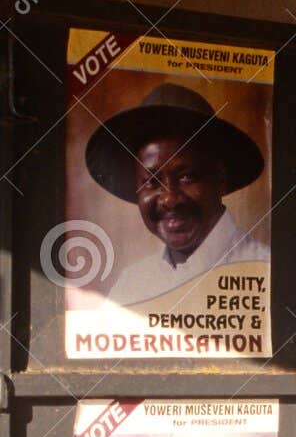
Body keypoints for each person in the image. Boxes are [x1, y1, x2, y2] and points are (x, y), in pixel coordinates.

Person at [84, 82, 270, 306]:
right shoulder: (131, 286)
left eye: (187, 176)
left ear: (219, 178)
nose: (169, 198)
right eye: (152, 181)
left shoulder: (267, 271)